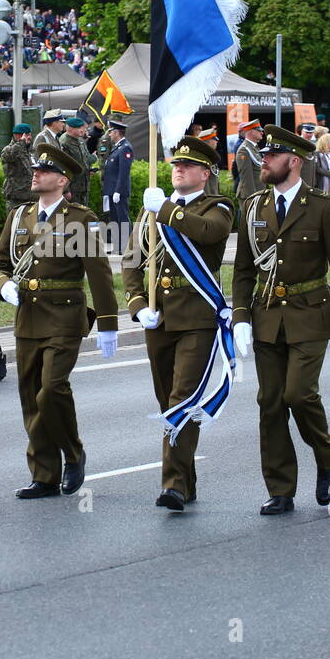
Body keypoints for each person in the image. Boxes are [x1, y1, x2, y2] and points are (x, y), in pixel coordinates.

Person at [232, 125, 330, 514]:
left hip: (309, 314)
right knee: (270, 402)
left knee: (298, 394)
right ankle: (280, 488)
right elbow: (243, 269)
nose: (264, 162)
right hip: (265, 317)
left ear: (293, 161)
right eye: (264, 156)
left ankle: (326, 454)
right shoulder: (253, 206)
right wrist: (241, 316)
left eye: (272, 157)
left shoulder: (322, 206)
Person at [0, 143, 119, 499]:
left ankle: (73, 453)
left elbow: (100, 274)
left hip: (64, 316)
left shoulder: (81, 219)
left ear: (62, 181)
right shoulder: (19, 216)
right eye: (35, 169)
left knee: (52, 389)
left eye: (43, 171)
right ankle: (44, 474)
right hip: (27, 316)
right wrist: (4, 288)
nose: (35, 174)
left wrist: (108, 323)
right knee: (31, 397)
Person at [122, 136, 233, 511]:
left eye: (187, 165)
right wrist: (137, 304)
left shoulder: (217, 206)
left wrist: (166, 209)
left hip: (196, 318)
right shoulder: (151, 211)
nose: (178, 169)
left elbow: (208, 233)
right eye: (174, 165)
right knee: (167, 399)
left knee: (181, 401)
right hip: (160, 319)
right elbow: (131, 261)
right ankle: (187, 479)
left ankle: (173, 485)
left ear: (205, 173)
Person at [100, 119, 133, 253]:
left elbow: (124, 172)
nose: (109, 135)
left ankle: (127, 247)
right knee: (115, 220)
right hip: (112, 190)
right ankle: (118, 247)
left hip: (118, 191)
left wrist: (118, 191)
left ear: (117, 132)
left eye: (111, 132)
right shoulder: (118, 147)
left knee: (122, 219)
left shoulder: (125, 147)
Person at [58, 116, 96, 204]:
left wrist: (89, 170)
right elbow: (62, 167)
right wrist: (65, 190)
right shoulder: (64, 142)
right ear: (70, 129)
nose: (83, 130)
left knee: (82, 214)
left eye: (83, 127)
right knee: (68, 214)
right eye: (79, 128)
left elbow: (84, 159)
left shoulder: (80, 140)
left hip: (83, 185)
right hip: (72, 188)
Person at [0, 123, 36, 215]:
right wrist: (21, 143)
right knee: (14, 226)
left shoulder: (28, 151)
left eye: (29, 135)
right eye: (27, 135)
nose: (29, 137)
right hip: (16, 199)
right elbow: (11, 155)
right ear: (18, 135)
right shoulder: (8, 149)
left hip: (31, 197)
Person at [234, 120, 266, 208]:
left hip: (259, 193)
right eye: (259, 130)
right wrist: (253, 198)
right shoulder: (244, 150)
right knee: (250, 221)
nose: (262, 132)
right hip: (250, 195)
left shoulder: (253, 147)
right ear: (251, 131)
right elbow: (246, 178)